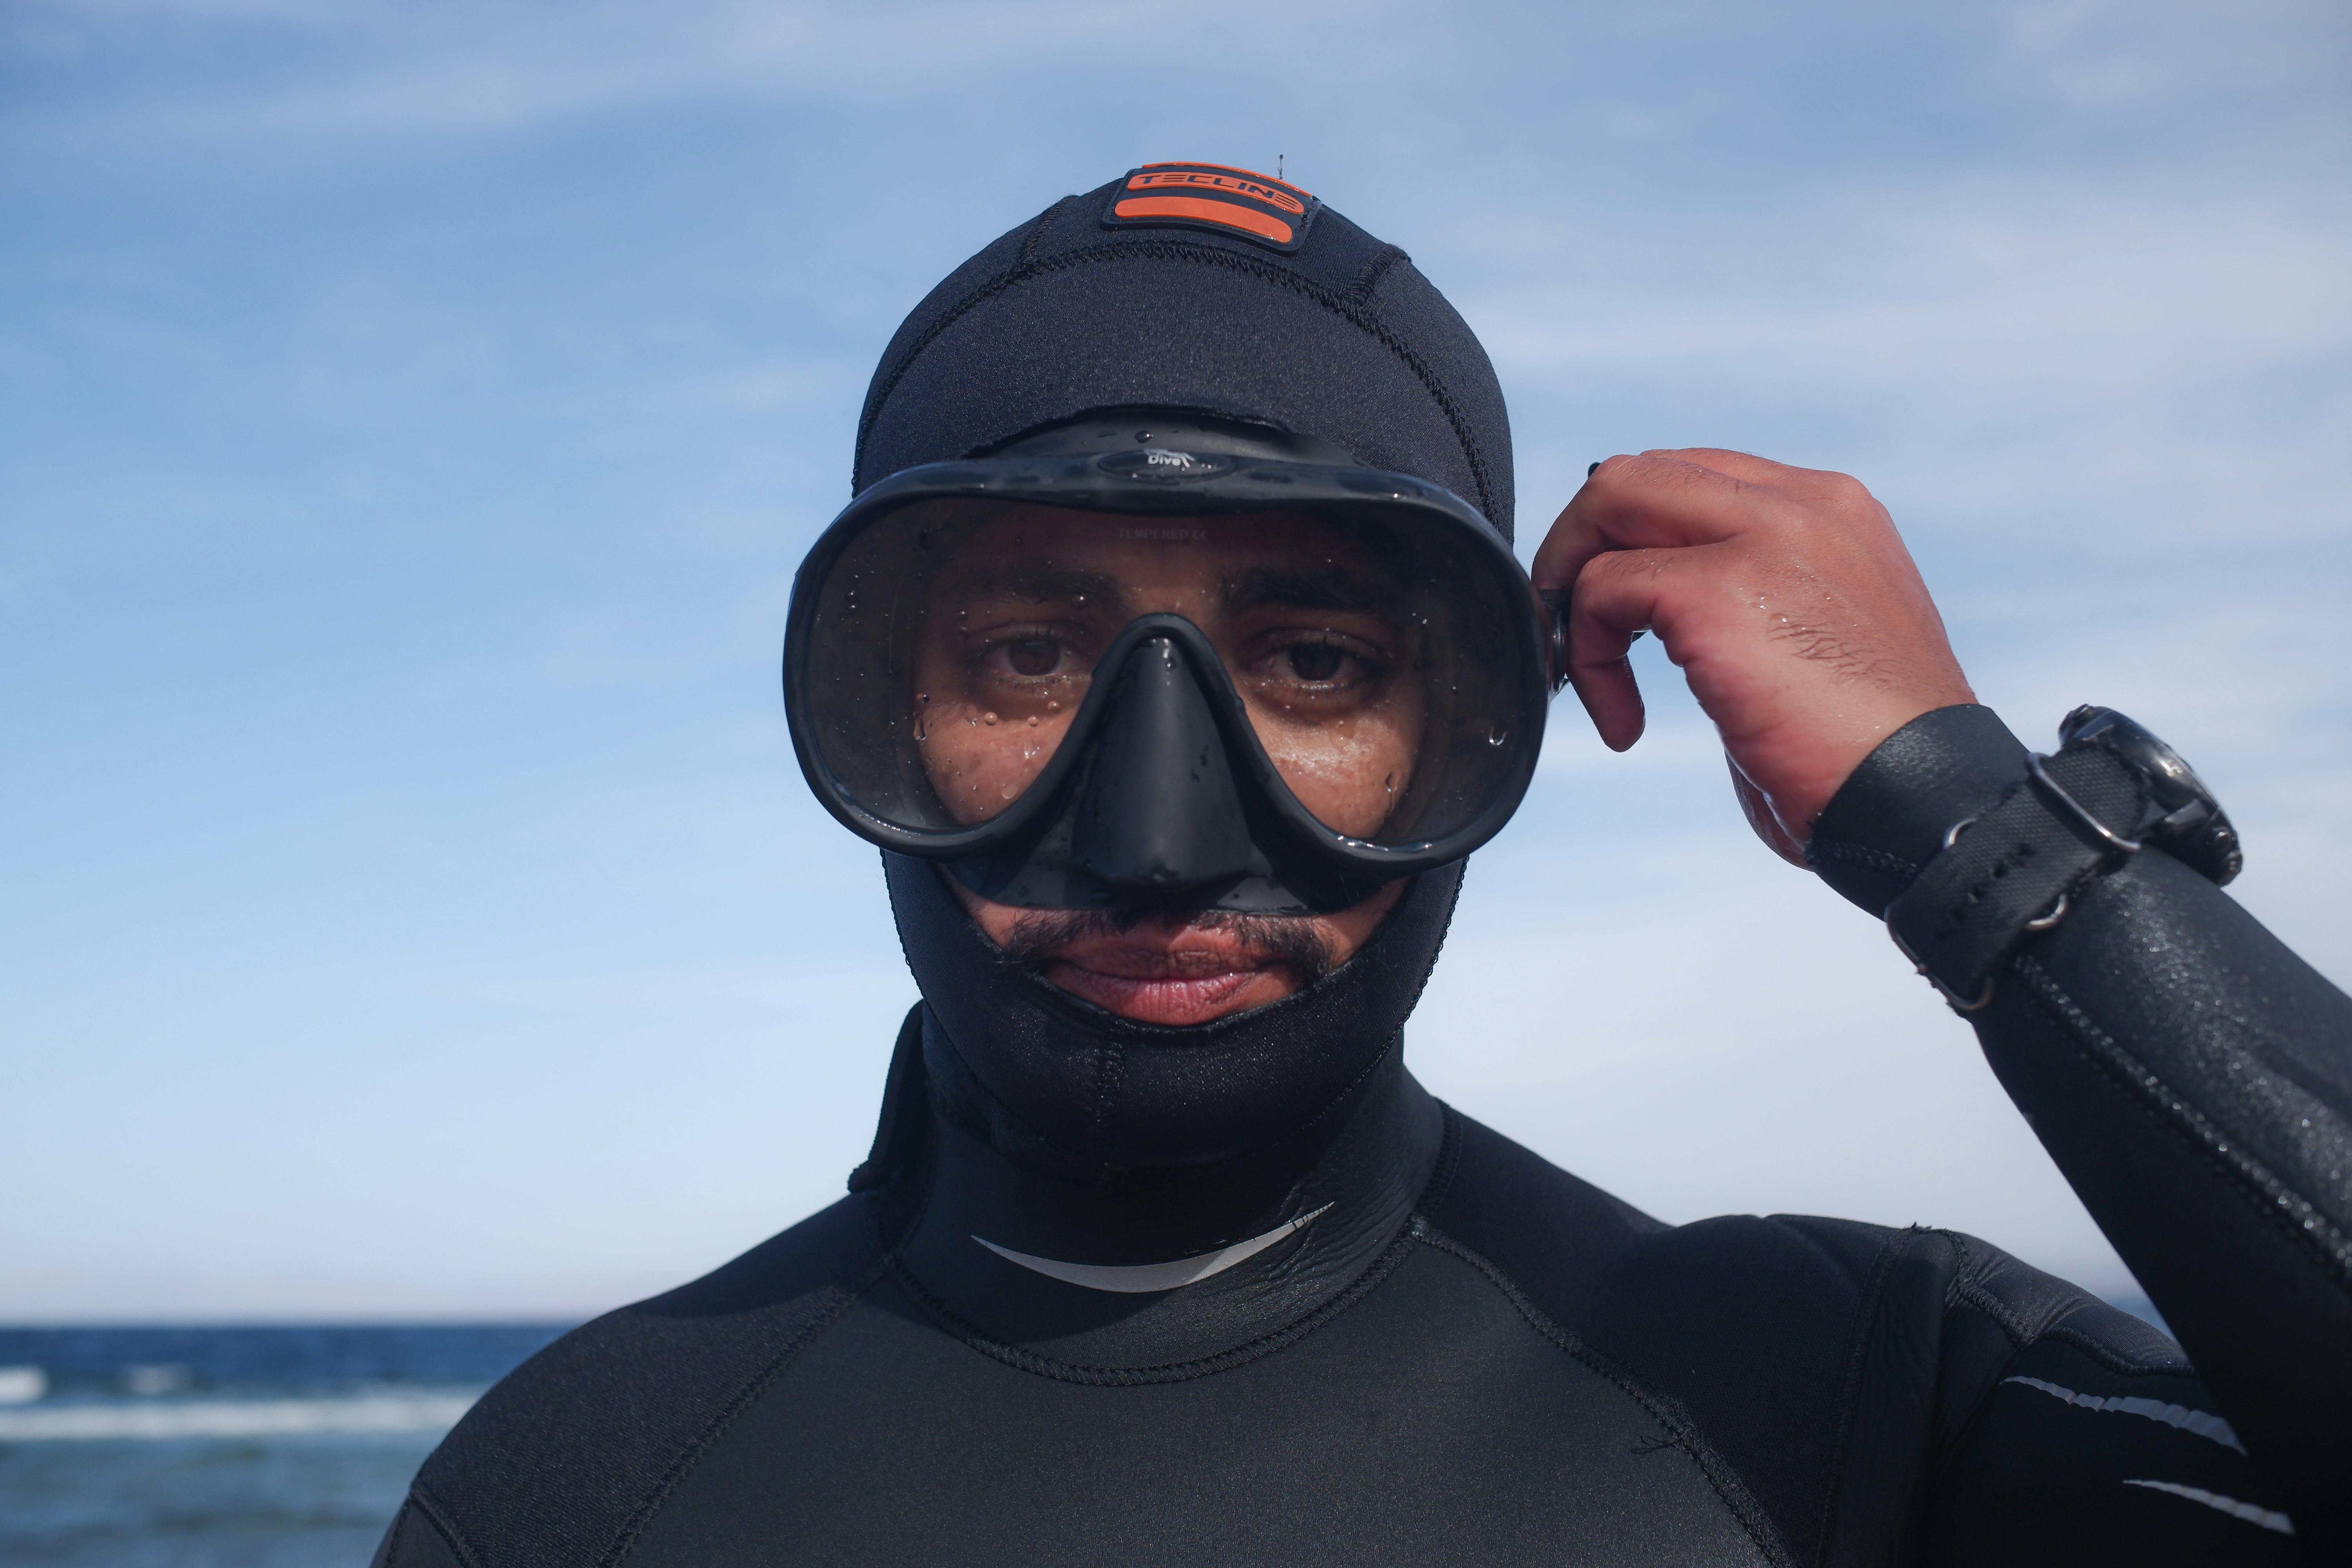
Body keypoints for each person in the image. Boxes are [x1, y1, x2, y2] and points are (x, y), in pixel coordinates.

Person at [374, 163, 2350, 1566]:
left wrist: (1997, 846)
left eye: (1315, 659)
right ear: (875, 712)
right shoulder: (564, 1500)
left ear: (1477, 717)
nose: (1159, 838)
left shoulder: (1865, 1417)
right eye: (1027, 656)